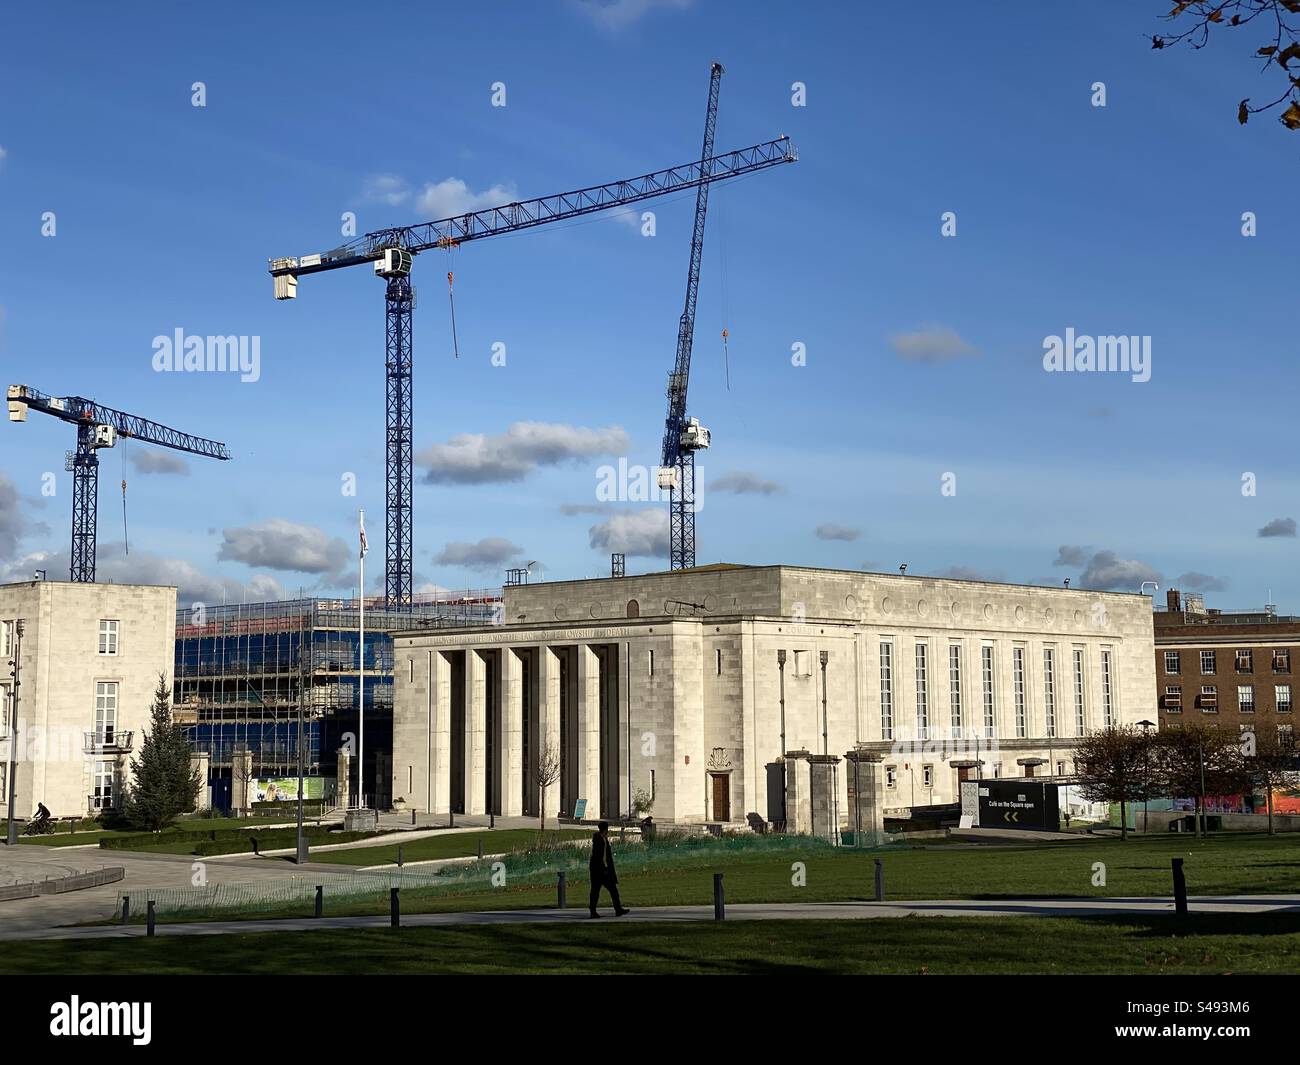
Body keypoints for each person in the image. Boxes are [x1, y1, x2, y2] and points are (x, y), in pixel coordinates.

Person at [588, 820, 629, 918]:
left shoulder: (602, 839)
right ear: (605, 829)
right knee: (599, 890)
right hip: (600, 870)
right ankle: (595, 910)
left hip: (600, 869)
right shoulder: (600, 840)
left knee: (606, 890)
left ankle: (617, 909)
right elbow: (600, 856)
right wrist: (605, 868)